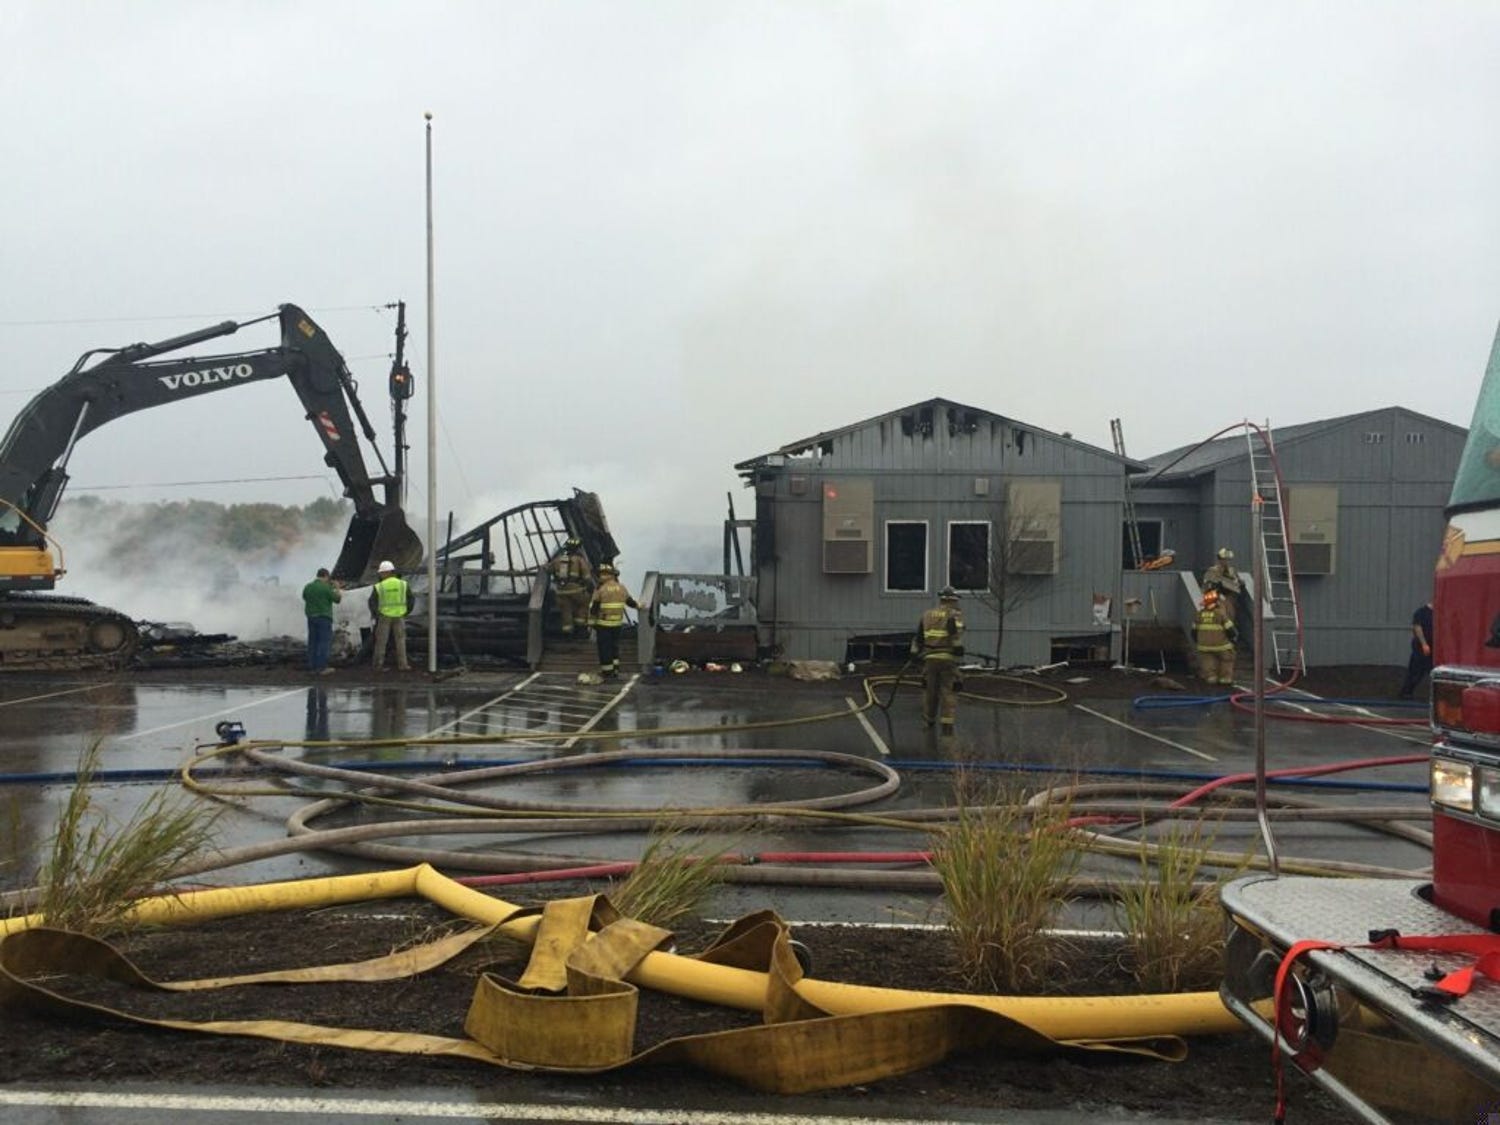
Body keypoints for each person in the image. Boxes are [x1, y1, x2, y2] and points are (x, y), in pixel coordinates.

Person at [911, 585, 965, 734]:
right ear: (951, 600)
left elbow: (918, 637)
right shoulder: (954, 615)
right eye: (955, 600)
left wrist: (914, 653)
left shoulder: (927, 614)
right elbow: (954, 634)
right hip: (947, 659)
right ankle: (947, 725)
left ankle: (929, 720)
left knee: (930, 691)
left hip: (930, 659)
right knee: (948, 691)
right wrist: (958, 648)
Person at [588, 562, 638, 679]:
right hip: (617, 625)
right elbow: (630, 602)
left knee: (605, 648)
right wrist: (639, 606)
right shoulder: (621, 587)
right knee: (614, 647)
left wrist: (591, 624)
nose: (600, 577)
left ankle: (607, 672)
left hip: (603, 625)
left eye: (602, 574)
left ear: (608, 575)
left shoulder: (600, 589)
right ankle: (615, 669)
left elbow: (594, 608)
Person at [367, 560, 412, 672]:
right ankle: (403, 665)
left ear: (386, 572)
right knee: (400, 641)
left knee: (381, 641)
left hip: (384, 616)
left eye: (381, 573)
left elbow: (372, 602)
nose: (380, 575)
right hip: (399, 615)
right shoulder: (403, 584)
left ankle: (378, 665)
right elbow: (411, 599)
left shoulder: (379, 586)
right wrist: (406, 611)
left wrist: (376, 614)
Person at [549, 536, 594, 635]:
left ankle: (567, 632)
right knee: (583, 604)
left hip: (561, 591)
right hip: (576, 590)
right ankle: (580, 629)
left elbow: (547, 569)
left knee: (566, 611)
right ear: (576, 549)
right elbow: (587, 577)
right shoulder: (580, 560)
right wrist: (590, 588)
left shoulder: (557, 560)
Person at [300, 567, 341, 674]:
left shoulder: (308, 587)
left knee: (313, 642)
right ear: (326, 576)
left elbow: (304, 597)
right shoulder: (326, 588)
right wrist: (337, 588)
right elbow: (337, 599)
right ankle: (322, 667)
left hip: (311, 617)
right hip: (324, 617)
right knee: (324, 642)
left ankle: (312, 666)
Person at [1194, 587, 1238, 686]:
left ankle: (1211, 677)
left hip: (1204, 645)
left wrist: (1199, 641)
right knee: (1227, 659)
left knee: (1208, 661)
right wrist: (1233, 638)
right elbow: (1230, 629)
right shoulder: (1220, 613)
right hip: (1221, 645)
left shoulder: (1199, 614)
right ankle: (1225, 679)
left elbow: (1193, 631)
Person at [1399, 601, 1435, 698]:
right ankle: (1406, 692)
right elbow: (1417, 628)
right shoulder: (1421, 612)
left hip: (1434, 646)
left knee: (1434, 672)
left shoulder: (1440, 613)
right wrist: (1424, 644)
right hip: (1421, 647)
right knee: (1416, 671)